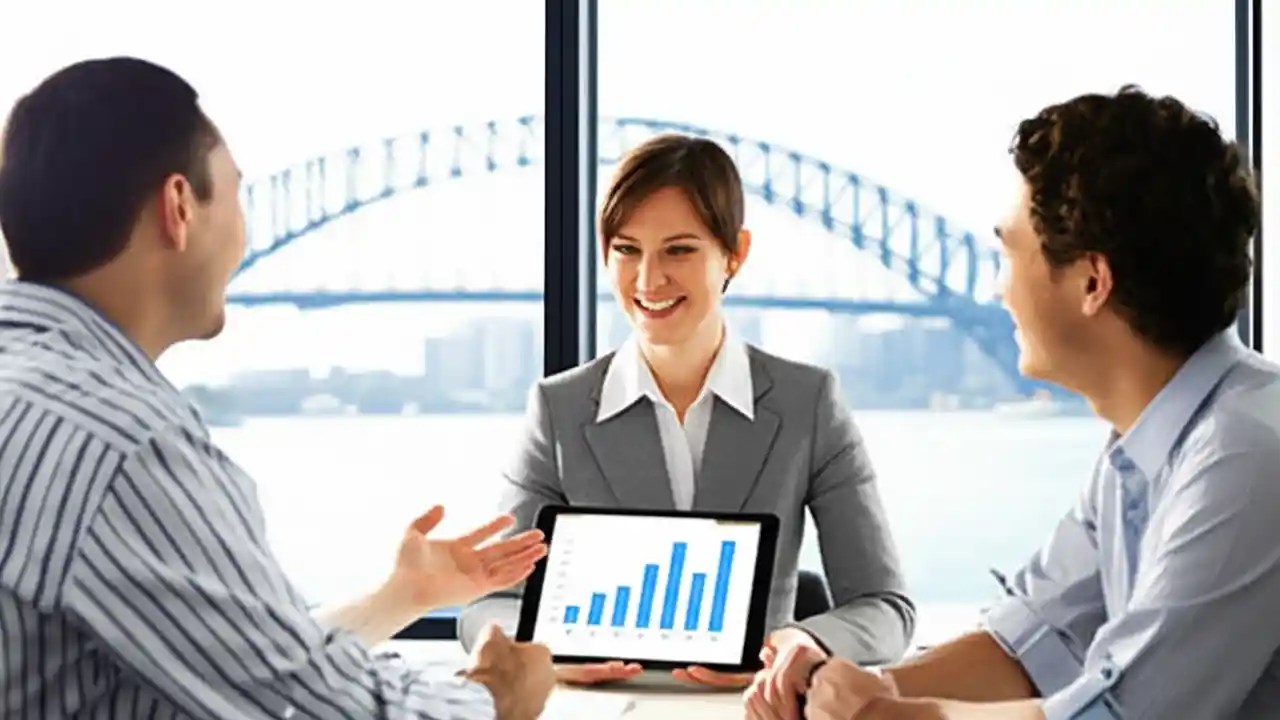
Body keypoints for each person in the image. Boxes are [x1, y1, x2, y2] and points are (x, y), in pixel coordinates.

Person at [0, 56, 557, 720]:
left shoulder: (34, 391)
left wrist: (402, 597)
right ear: (179, 207)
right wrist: (497, 699)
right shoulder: (124, 443)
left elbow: (226, 667)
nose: (245, 235)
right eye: (236, 194)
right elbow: (317, 713)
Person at [746, 84, 1279, 720]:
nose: (996, 290)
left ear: (1090, 281)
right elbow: (1031, 642)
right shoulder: (1142, 451)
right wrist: (863, 686)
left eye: (1006, 252)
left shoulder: (1246, 456)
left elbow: (1121, 715)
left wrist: (894, 717)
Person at [458, 133, 915, 687]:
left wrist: (797, 641)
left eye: (679, 250)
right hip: (610, 710)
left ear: (735, 254)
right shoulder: (560, 409)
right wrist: (541, 645)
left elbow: (885, 608)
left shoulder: (808, 404)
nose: (649, 281)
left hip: (749, 708)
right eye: (627, 250)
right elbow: (487, 606)